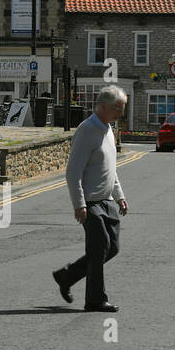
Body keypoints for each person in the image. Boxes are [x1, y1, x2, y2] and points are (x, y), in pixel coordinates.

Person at [52, 85, 129, 312]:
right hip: (91, 203)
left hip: (107, 201)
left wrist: (120, 196)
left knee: (111, 248)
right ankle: (95, 300)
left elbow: (110, 170)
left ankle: (67, 276)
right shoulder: (87, 130)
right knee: (99, 248)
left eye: (123, 109)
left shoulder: (108, 130)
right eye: (118, 108)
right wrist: (79, 204)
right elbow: (73, 172)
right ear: (103, 106)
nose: (121, 114)